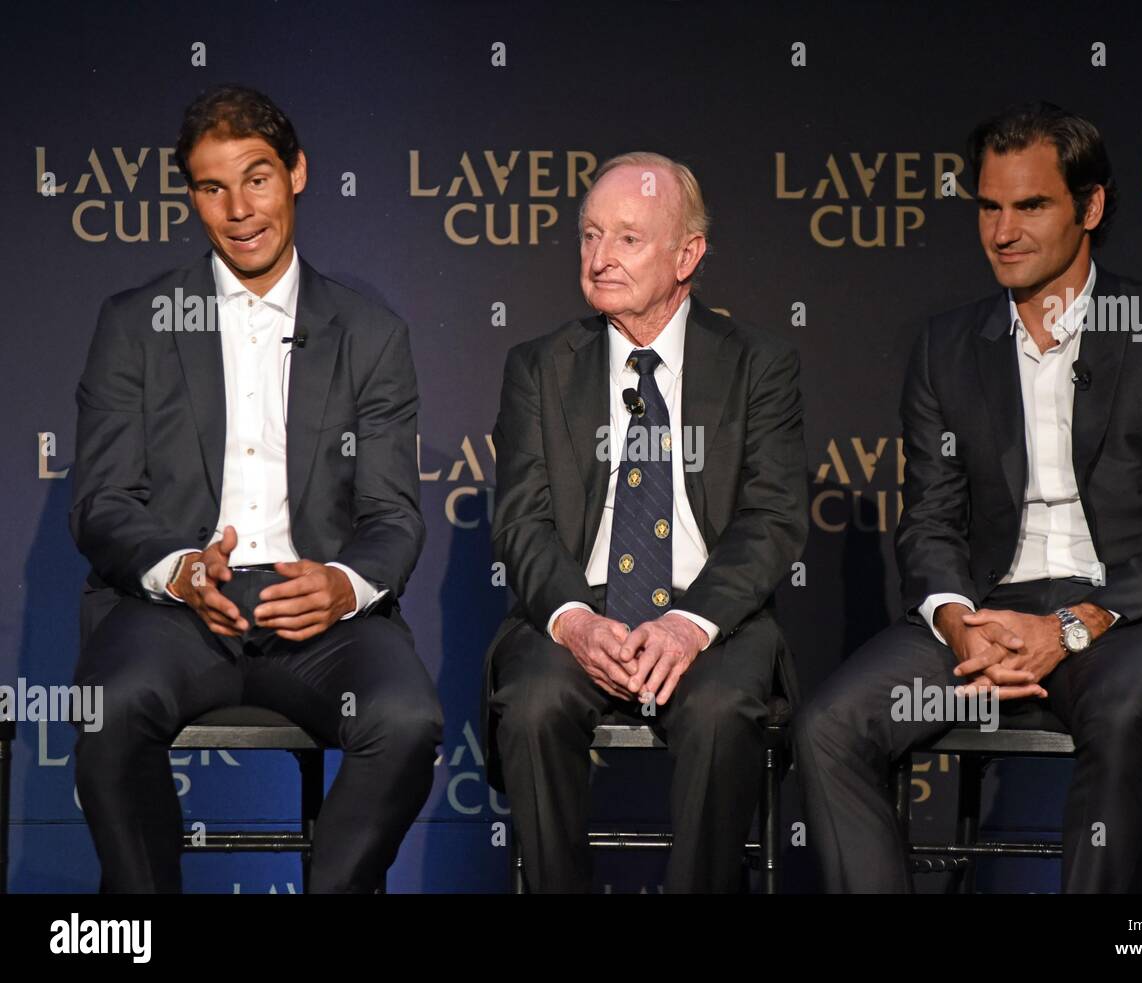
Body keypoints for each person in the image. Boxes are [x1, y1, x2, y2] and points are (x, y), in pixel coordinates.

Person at [795, 101, 1142, 893]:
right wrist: (957, 620)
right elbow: (931, 517)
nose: (1003, 231)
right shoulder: (945, 348)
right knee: (832, 726)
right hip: (989, 615)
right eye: (989, 206)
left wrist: (1071, 625)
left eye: (1031, 205)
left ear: (1091, 206)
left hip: (1130, 619)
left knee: (1123, 712)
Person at [70, 85, 441, 893]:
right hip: (175, 608)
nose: (238, 209)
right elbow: (100, 502)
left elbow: (392, 516)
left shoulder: (371, 336)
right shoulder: (135, 322)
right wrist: (180, 569)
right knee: (109, 714)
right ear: (191, 196)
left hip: (318, 612)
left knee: (407, 718)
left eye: (257, 177)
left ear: (298, 173)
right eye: (212, 187)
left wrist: (342, 585)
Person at [484, 152, 808, 892]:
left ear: (687, 254)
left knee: (724, 710)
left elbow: (772, 518)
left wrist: (690, 623)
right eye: (590, 236)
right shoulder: (538, 365)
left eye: (627, 238)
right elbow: (522, 520)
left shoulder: (760, 363)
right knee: (533, 703)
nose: (599, 258)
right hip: (579, 608)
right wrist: (572, 620)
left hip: (707, 612)